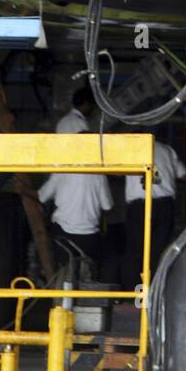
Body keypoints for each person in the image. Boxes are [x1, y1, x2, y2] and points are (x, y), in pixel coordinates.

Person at [38, 86, 110, 270]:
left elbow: (42, 195)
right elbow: (108, 206)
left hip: (63, 224)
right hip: (89, 235)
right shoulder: (80, 127)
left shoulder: (63, 122)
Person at [124, 139, 186, 288]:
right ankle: (155, 292)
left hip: (139, 207)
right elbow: (183, 174)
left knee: (135, 251)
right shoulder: (166, 149)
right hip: (163, 206)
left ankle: (132, 293)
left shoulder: (128, 148)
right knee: (159, 251)